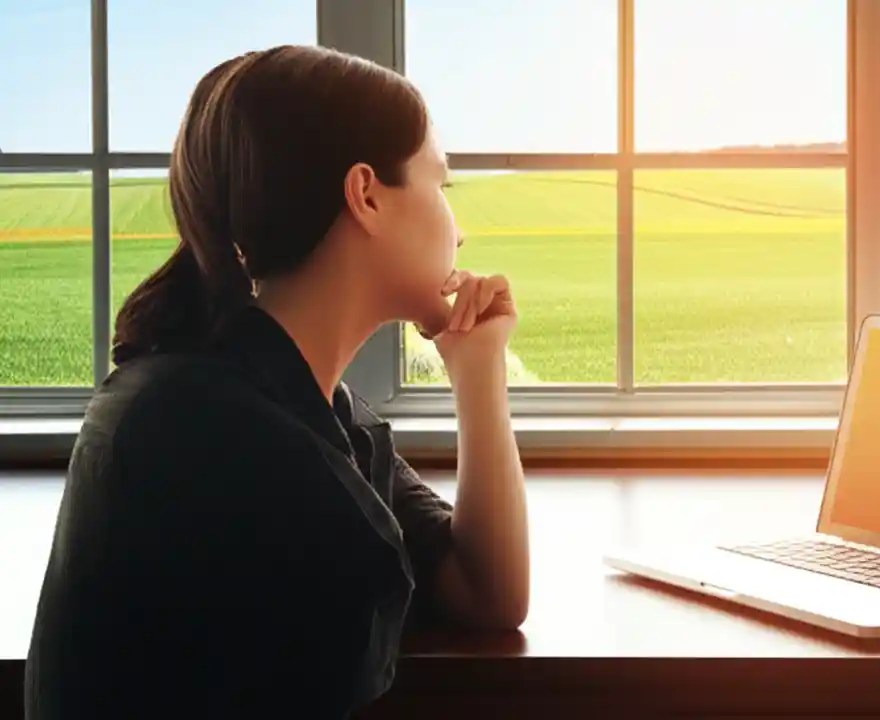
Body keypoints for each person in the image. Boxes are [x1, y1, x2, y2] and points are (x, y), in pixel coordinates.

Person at [24, 44, 529, 718]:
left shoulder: (278, 400)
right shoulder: (238, 445)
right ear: (366, 195)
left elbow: (486, 595)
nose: (458, 230)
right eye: (441, 185)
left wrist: (478, 370)